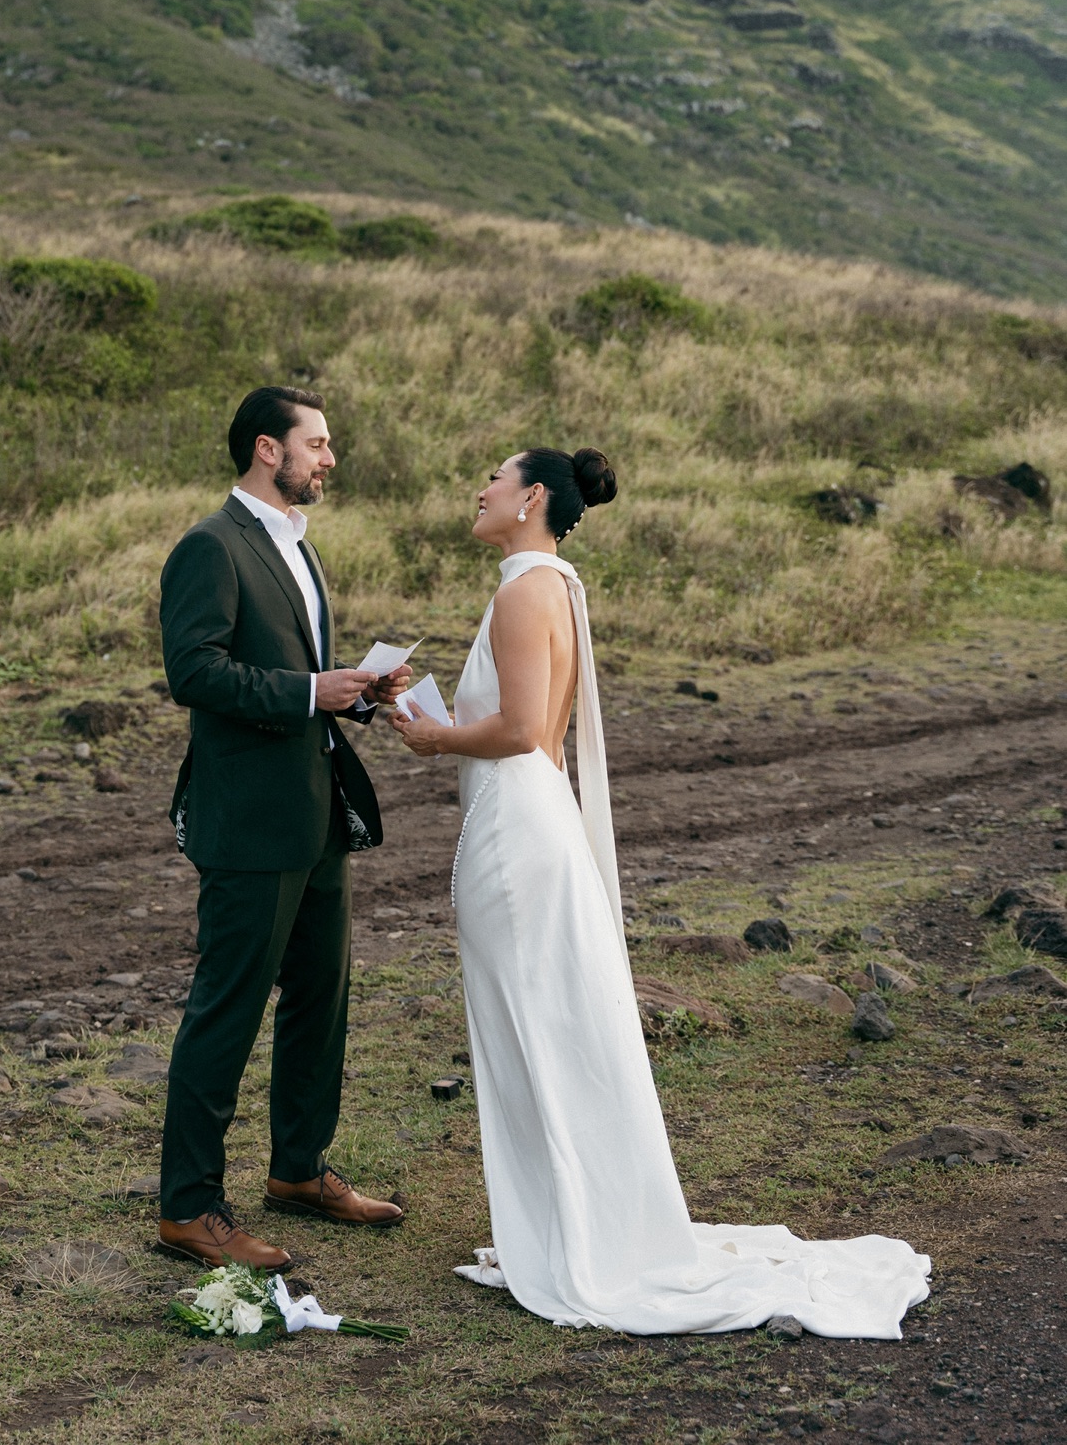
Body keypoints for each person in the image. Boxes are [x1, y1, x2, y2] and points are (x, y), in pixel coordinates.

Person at [390, 446, 931, 1337]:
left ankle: (577, 1233)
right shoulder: (551, 583)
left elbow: (524, 731)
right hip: (531, 819)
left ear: (530, 499)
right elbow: (543, 742)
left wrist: (437, 740)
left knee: (533, 1025)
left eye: (492, 477)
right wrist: (448, 730)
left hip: (515, 835)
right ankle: (571, 1218)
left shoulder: (526, 589)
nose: (477, 490)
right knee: (543, 1025)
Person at [156, 384, 410, 1269]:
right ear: (269, 448)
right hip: (250, 818)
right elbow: (194, 673)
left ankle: (298, 1170)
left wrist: (355, 691)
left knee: (322, 997)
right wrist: (312, 690)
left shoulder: (298, 548)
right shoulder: (209, 546)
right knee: (225, 1011)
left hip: (316, 811)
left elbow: (295, 671)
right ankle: (188, 1208)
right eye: (319, 443)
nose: (330, 457)